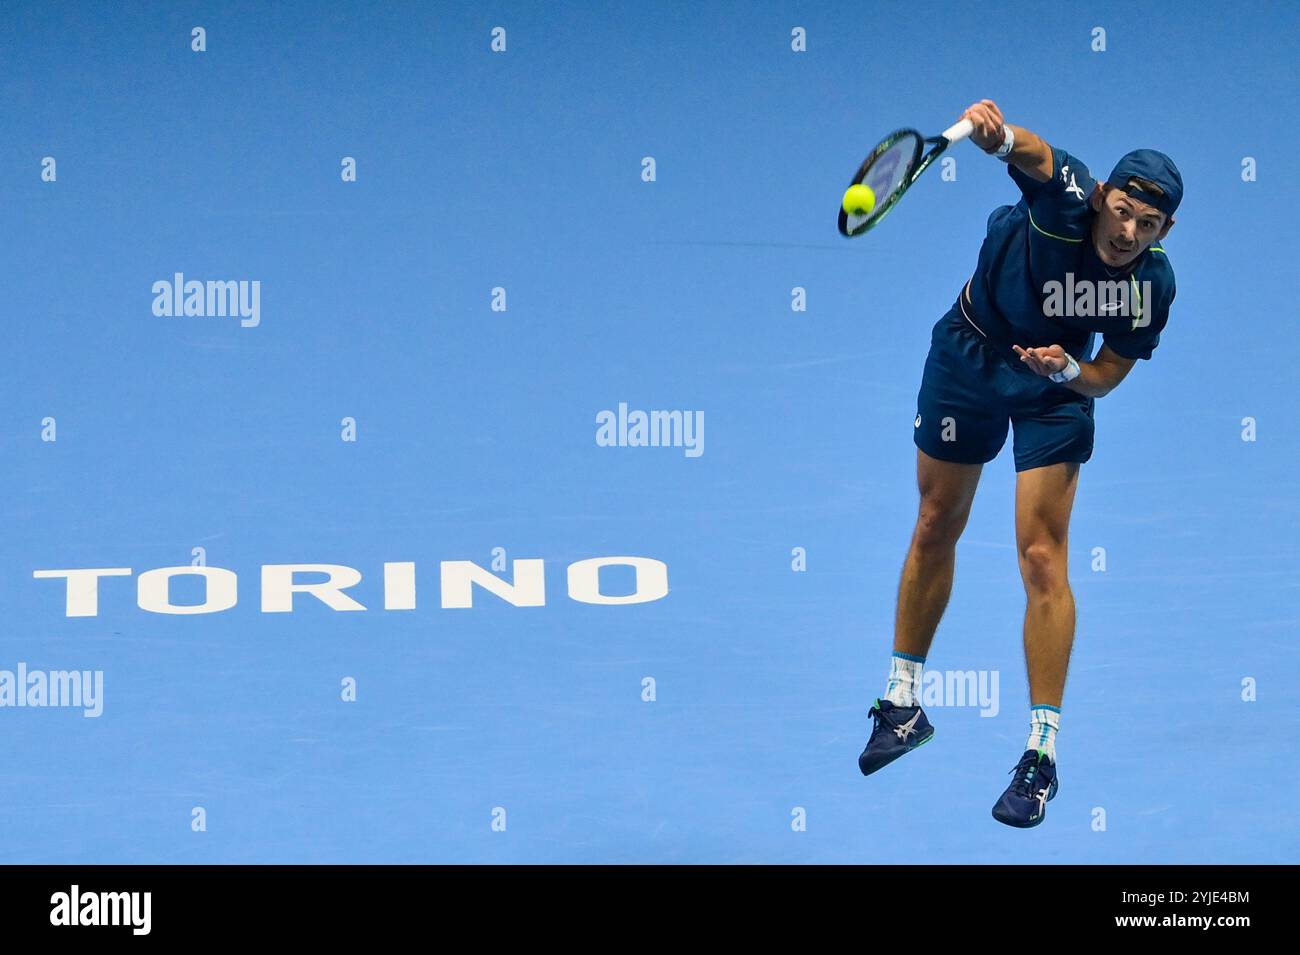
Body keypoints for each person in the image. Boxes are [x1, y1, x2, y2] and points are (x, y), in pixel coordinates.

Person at [857, 99, 1182, 828]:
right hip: (971, 353)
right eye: (1123, 211)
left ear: (1166, 232)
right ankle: (903, 703)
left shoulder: (1150, 288)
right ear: (1102, 197)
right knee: (936, 519)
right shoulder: (1065, 194)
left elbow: (1108, 376)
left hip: (1054, 385)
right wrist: (996, 133)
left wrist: (1070, 371)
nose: (1128, 232)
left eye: (1148, 225)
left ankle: (1041, 757)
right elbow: (1031, 151)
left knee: (1041, 557)